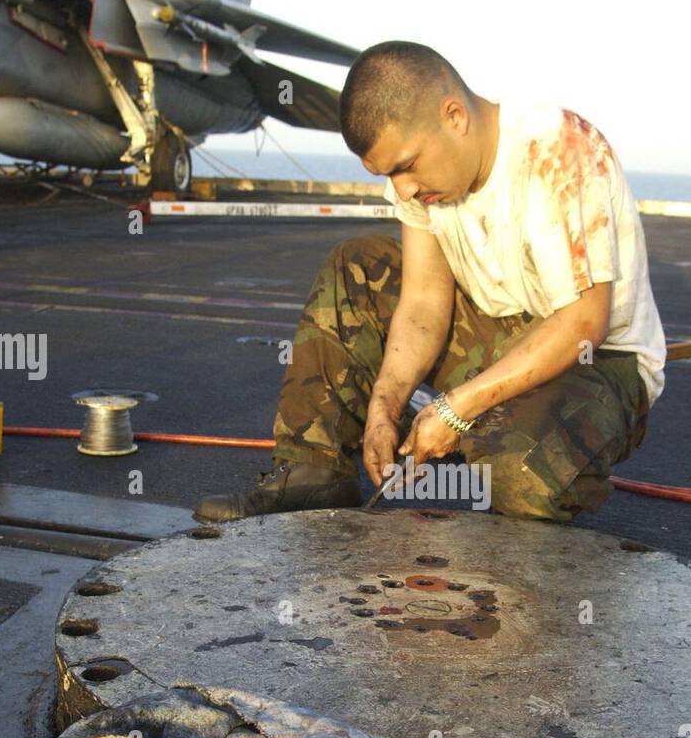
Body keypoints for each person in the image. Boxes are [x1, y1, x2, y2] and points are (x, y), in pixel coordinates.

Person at [193, 41, 666, 525]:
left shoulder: (557, 151)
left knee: (521, 474)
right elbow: (422, 301)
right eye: (388, 174)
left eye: (406, 165)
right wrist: (384, 404)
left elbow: (584, 323)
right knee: (357, 265)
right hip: (500, 334)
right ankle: (314, 473)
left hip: (597, 360)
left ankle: (521, 456)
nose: (403, 189)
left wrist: (457, 410)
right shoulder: (425, 178)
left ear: (454, 116)